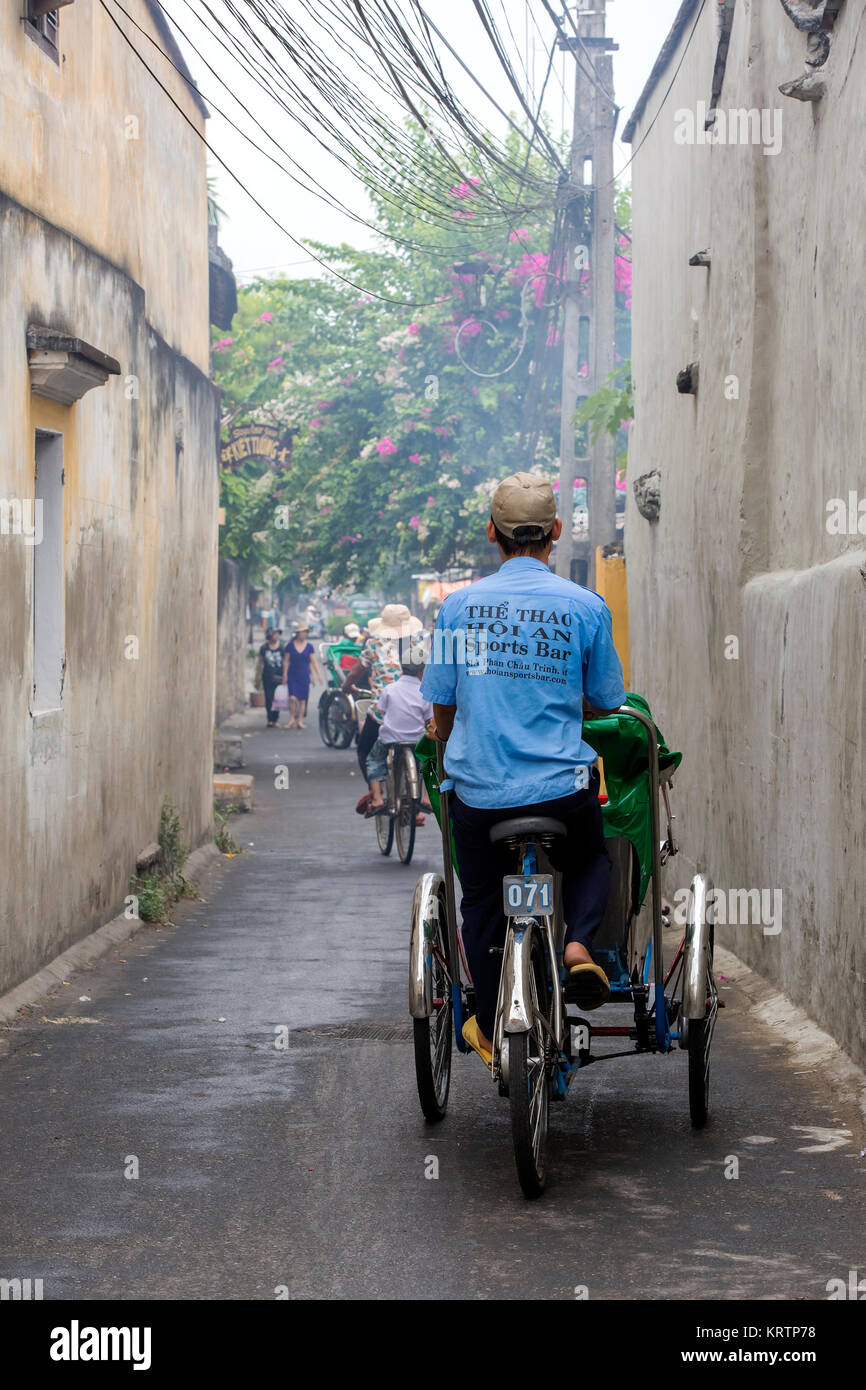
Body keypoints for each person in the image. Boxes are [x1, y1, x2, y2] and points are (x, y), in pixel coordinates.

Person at [421, 471, 626, 1067]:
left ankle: (487, 1025)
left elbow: (442, 707)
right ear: (556, 533)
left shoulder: (458, 609)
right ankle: (579, 945)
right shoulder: (585, 607)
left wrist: (453, 728)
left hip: (480, 798)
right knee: (591, 855)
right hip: (562, 791)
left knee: (482, 898)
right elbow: (608, 698)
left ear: (493, 533)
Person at [342, 603, 420, 780]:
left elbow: (355, 672)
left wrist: (346, 687)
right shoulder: (417, 644)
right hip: (416, 710)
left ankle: (375, 792)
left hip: (383, 713)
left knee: (364, 752)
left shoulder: (373, 644)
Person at [365, 655, 433, 817]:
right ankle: (427, 798)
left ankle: (377, 799)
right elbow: (428, 718)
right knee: (430, 760)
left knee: (374, 759)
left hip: (390, 738)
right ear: (422, 671)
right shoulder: (425, 691)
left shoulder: (390, 688)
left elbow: (381, 710)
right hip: (416, 739)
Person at [282, 624, 323, 729]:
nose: (304, 634)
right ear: (297, 633)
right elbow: (286, 661)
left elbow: (313, 662)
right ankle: (291, 718)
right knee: (292, 697)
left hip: (304, 675)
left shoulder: (309, 646)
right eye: (302, 632)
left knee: (302, 700)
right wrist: (285, 675)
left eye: (306, 632)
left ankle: (300, 720)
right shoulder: (290, 645)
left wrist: (318, 675)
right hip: (292, 674)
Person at [255, 627, 285, 729]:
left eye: (278, 634)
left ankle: (275, 719)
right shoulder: (264, 648)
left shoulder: (282, 648)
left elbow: (286, 662)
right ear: (269, 636)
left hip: (279, 677)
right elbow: (260, 663)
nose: (277, 636)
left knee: (278, 699)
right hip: (267, 677)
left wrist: (286, 676)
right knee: (268, 698)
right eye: (274, 634)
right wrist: (257, 678)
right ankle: (270, 719)